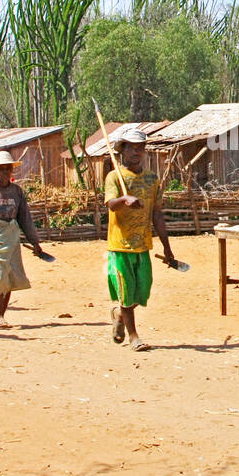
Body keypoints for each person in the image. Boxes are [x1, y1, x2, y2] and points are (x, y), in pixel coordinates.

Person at [103, 129, 177, 352]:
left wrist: (167, 247)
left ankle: (118, 314)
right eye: (132, 147)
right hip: (120, 245)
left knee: (142, 292)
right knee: (126, 292)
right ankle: (134, 337)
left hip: (142, 245)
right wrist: (124, 199)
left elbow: (157, 214)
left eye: (140, 148)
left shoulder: (152, 179)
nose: (137, 151)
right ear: (122, 150)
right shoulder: (114, 177)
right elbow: (110, 204)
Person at [0, 150, 49, 329]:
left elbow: (25, 218)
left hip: (12, 234)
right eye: (2, 169)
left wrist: (35, 243)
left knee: (9, 275)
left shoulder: (17, 192)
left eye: (8, 169)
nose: (6, 172)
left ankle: (3, 314)